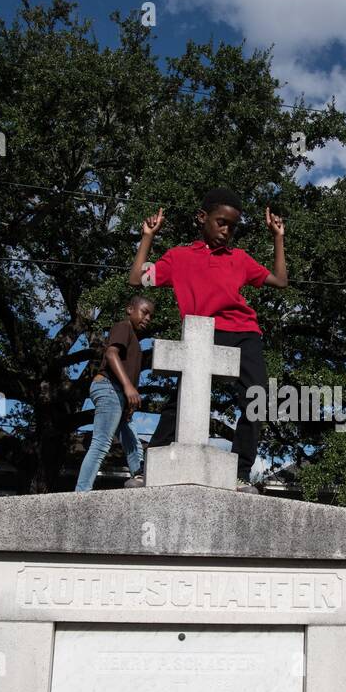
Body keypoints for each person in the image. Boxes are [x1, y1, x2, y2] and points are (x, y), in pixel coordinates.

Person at [129, 187, 287, 492]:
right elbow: (137, 278)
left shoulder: (239, 259)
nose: (226, 231)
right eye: (221, 222)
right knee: (181, 402)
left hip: (243, 333)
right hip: (203, 333)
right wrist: (148, 236)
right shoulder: (179, 256)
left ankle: (240, 473)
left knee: (258, 400)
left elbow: (280, 280)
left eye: (232, 226)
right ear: (202, 218)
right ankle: (148, 469)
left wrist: (277, 238)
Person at [74, 294, 155, 492]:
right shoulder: (123, 327)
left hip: (118, 394)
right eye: (144, 312)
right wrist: (128, 387)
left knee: (131, 440)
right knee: (101, 443)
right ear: (130, 309)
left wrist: (128, 403)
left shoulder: (135, 339)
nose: (147, 318)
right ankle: (81, 492)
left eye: (150, 316)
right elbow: (111, 354)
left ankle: (139, 475)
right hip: (109, 387)